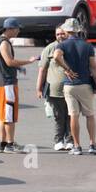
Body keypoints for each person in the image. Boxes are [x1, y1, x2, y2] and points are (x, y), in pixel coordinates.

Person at [0, 18, 41, 154]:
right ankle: (10, 144)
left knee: (3, 114)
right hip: (7, 83)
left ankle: (2, 143)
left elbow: (5, 62)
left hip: (3, 82)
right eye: (17, 28)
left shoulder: (1, 41)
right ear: (10, 29)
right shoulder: (4, 43)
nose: (18, 31)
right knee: (9, 115)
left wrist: (18, 68)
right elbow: (9, 62)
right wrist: (28, 61)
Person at [53, 20, 96, 156]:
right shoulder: (87, 45)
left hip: (69, 85)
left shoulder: (62, 45)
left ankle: (76, 146)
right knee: (90, 115)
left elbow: (56, 57)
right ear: (78, 30)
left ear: (66, 31)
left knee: (73, 115)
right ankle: (92, 144)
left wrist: (66, 69)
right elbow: (94, 66)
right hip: (85, 83)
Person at [37, 22, 73, 151]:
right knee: (59, 117)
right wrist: (39, 88)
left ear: (67, 33)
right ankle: (58, 141)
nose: (60, 36)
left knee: (70, 116)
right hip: (54, 90)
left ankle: (70, 140)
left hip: (71, 88)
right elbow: (42, 69)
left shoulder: (72, 46)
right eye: (58, 34)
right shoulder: (49, 48)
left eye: (63, 33)